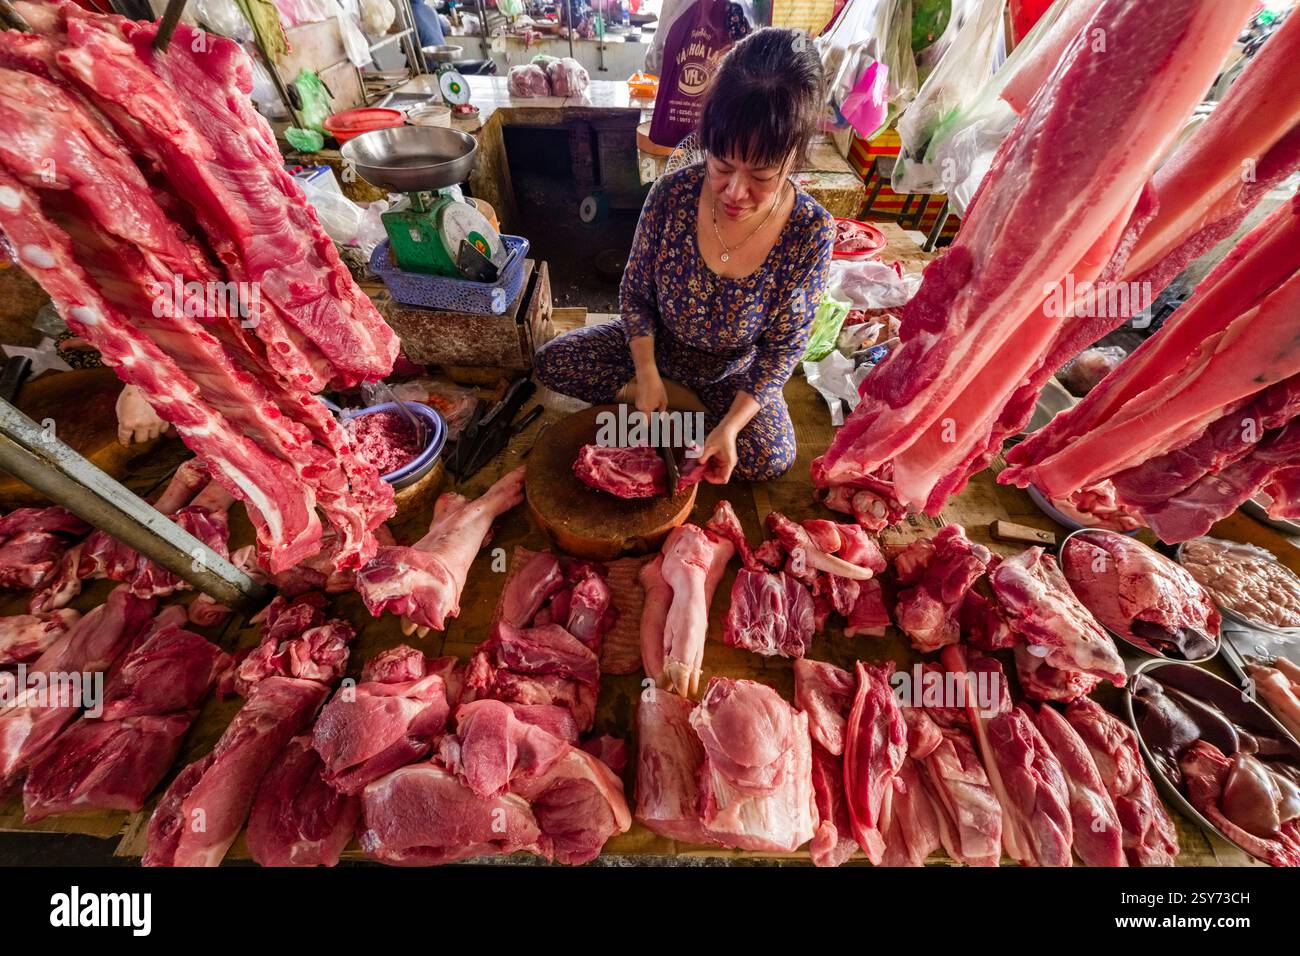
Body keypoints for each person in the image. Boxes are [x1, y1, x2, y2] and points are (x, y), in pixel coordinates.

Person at [534, 27, 834, 483]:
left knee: (768, 458)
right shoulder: (671, 195)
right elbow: (635, 296)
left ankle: (685, 411)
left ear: (793, 156)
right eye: (721, 165)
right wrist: (648, 372)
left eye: (761, 175)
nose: (735, 192)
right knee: (551, 362)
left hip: (731, 374)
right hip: (656, 346)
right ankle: (667, 399)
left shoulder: (810, 232)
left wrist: (731, 426)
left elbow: (783, 348)